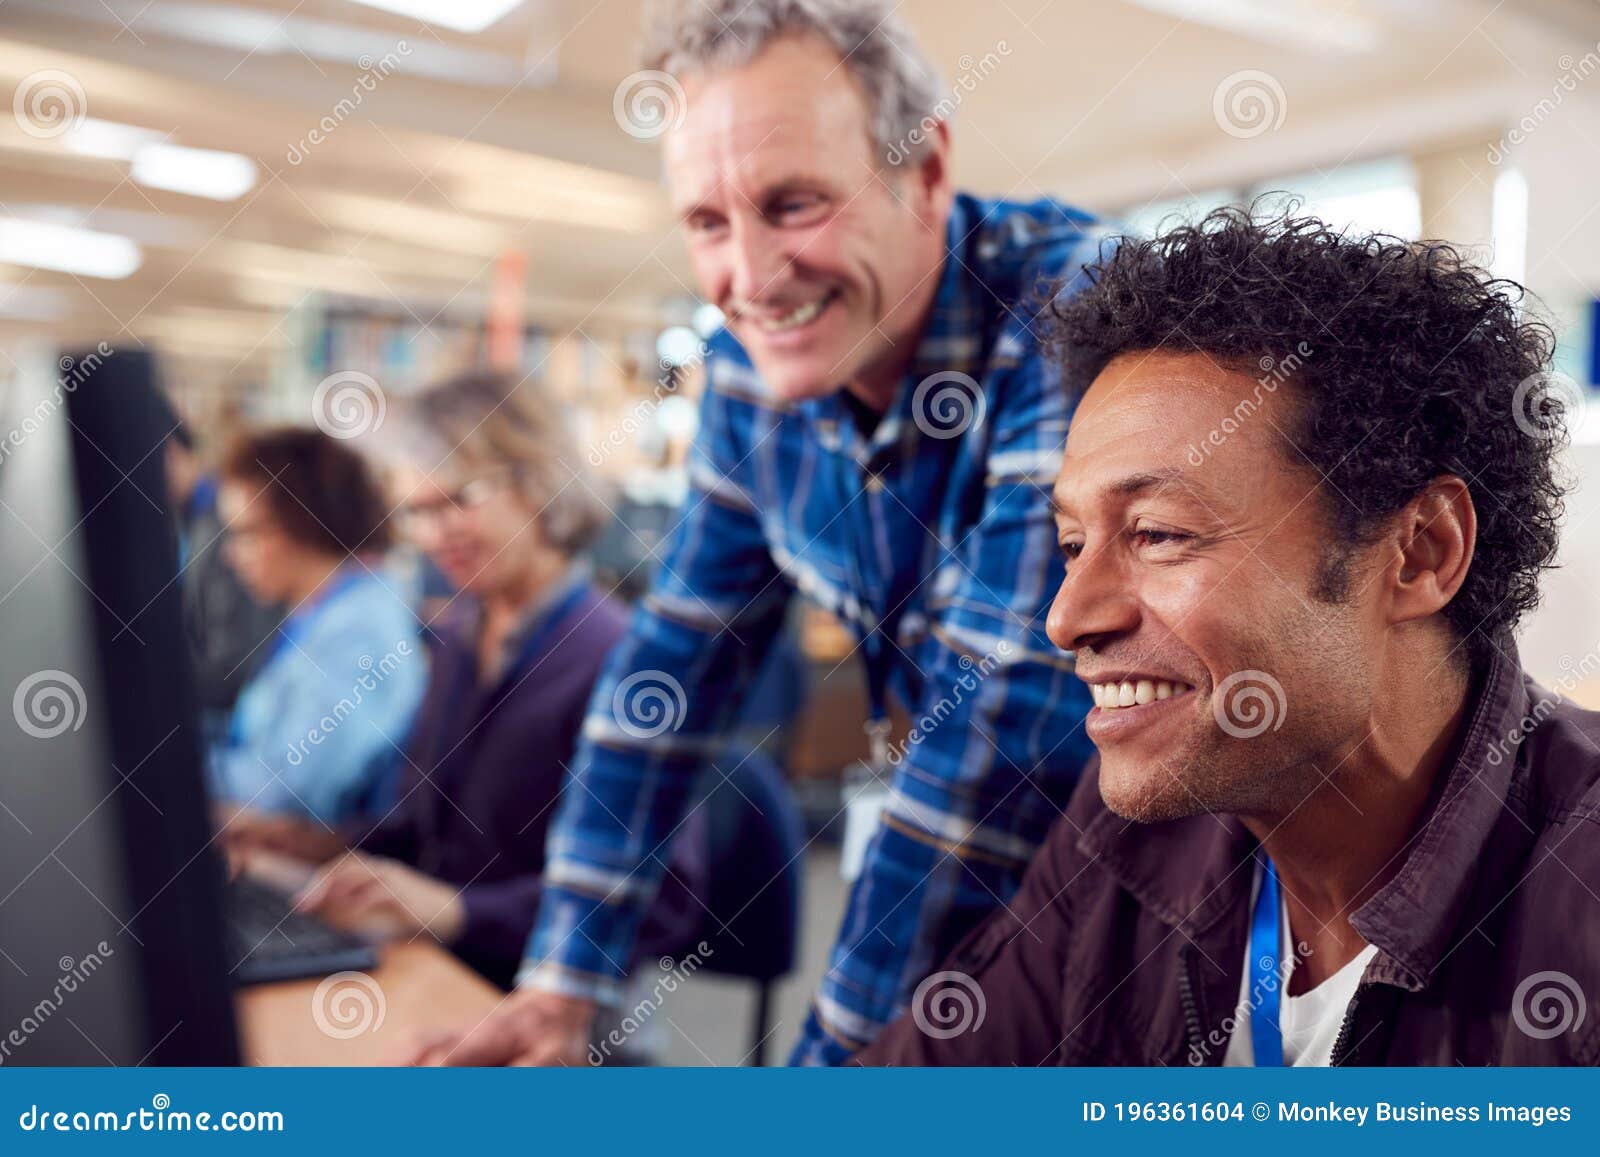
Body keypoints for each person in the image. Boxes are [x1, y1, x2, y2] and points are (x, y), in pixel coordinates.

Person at [420, 0, 1103, 1066]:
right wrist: (564, 980)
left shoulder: (1072, 314)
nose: (749, 277)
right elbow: (671, 673)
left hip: (1173, 883)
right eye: (706, 222)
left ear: (923, 173)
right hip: (983, 890)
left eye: (793, 204)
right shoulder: (751, 371)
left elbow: (995, 744)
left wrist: (820, 1076)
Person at [856, 207, 1600, 1066]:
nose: (1066, 617)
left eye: (1159, 533)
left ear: (1421, 551)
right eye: (1071, 544)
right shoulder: (1130, 836)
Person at [230, 370, 708, 998]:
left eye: (461, 497)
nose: (435, 535)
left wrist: (456, 911)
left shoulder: (622, 660)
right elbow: (424, 830)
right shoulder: (458, 639)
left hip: (560, 1006)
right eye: (418, 512)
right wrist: (304, 847)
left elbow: (662, 897)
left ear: (538, 483)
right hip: (446, 966)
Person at [208, 427, 425, 826]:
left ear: (303, 522)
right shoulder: (320, 610)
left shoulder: (359, 631)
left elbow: (287, 795)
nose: (232, 555)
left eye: (248, 534)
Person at [161, 412, 283, 730]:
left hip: (227, 718)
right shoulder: (186, 521)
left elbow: (234, 662)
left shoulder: (227, 523)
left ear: (171, 454)